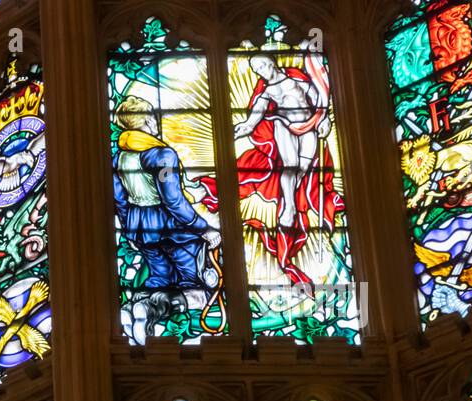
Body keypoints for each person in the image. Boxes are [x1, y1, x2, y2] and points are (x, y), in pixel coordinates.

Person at [113, 95, 221, 329]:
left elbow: (120, 200)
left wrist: (130, 230)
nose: (154, 122)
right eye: (151, 117)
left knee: (160, 276)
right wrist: (203, 228)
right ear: (146, 121)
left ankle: (136, 309)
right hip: (171, 227)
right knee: (195, 281)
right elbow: (173, 201)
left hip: (140, 227)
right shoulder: (161, 155)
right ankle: (153, 310)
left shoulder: (119, 158)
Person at [233, 53, 340, 286]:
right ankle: (289, 206)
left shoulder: (296, 80)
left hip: (308, 126)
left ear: (271, 63)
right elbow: (254, 118)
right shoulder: (267, 92)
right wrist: (243, 128)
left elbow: (318, 98)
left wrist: (325, 119)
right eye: (256, 68)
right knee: (289, 168)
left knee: (303, 168)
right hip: (284, 125)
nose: (259, 71)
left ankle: (296, 201)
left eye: (261, 65)